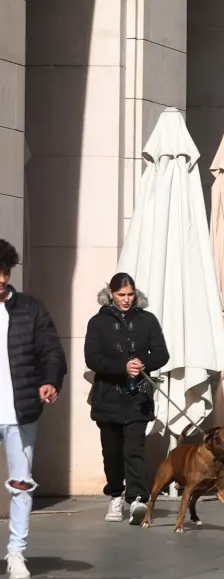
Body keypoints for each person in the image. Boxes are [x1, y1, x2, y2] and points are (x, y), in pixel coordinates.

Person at [83, 271, 168, 525]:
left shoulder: (148, 320)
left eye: (130, 294)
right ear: (111, 294)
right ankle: (115, 495)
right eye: (121, 295)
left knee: (134, 449)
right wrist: (123, 365)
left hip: (138, 396)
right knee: (111, 451)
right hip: (107, 395)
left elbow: (162, 354)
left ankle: (138, 499)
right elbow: (92, 358)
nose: (126, 299)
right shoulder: (96, 323)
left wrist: (144, 363)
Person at [0, 239, 61, 579]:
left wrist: (50, 380)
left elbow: (52, 350)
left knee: (21, 484)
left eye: (4, 272)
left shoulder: (30, 309)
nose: (0, 278)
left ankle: (16, 553)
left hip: (20, 412)